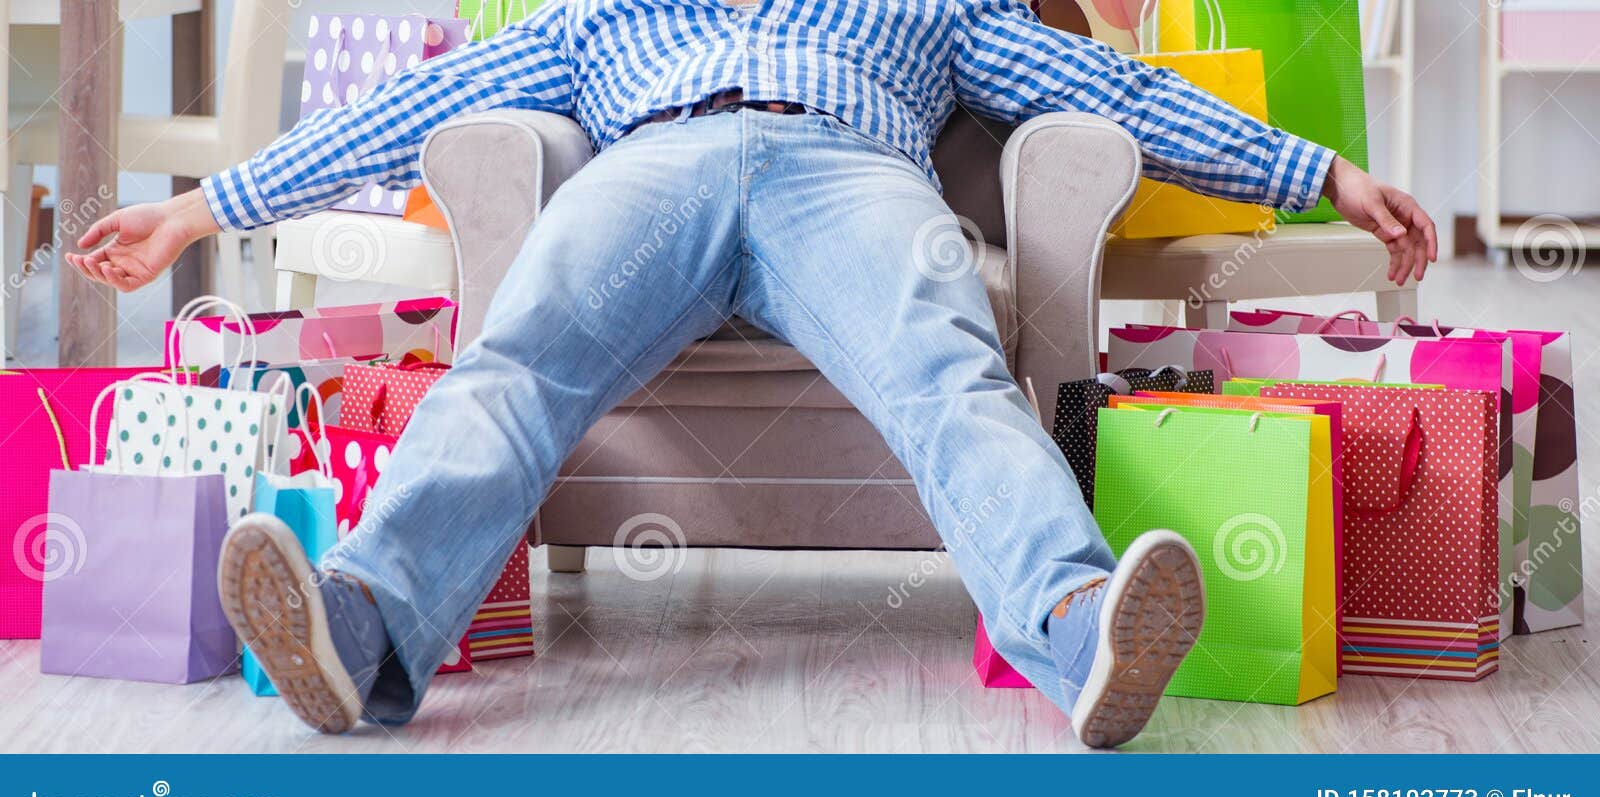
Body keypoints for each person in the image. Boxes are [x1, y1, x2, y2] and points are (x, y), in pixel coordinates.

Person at [71, 0, 1435, 748]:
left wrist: (1323, 174)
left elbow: (1113, 92)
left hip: (847, 173)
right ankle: (362, 630)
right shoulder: (603, 16)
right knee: (512, 365)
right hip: (648, 173)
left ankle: (1081, 633)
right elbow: (408, 109)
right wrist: (202, 211)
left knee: (949, 377)